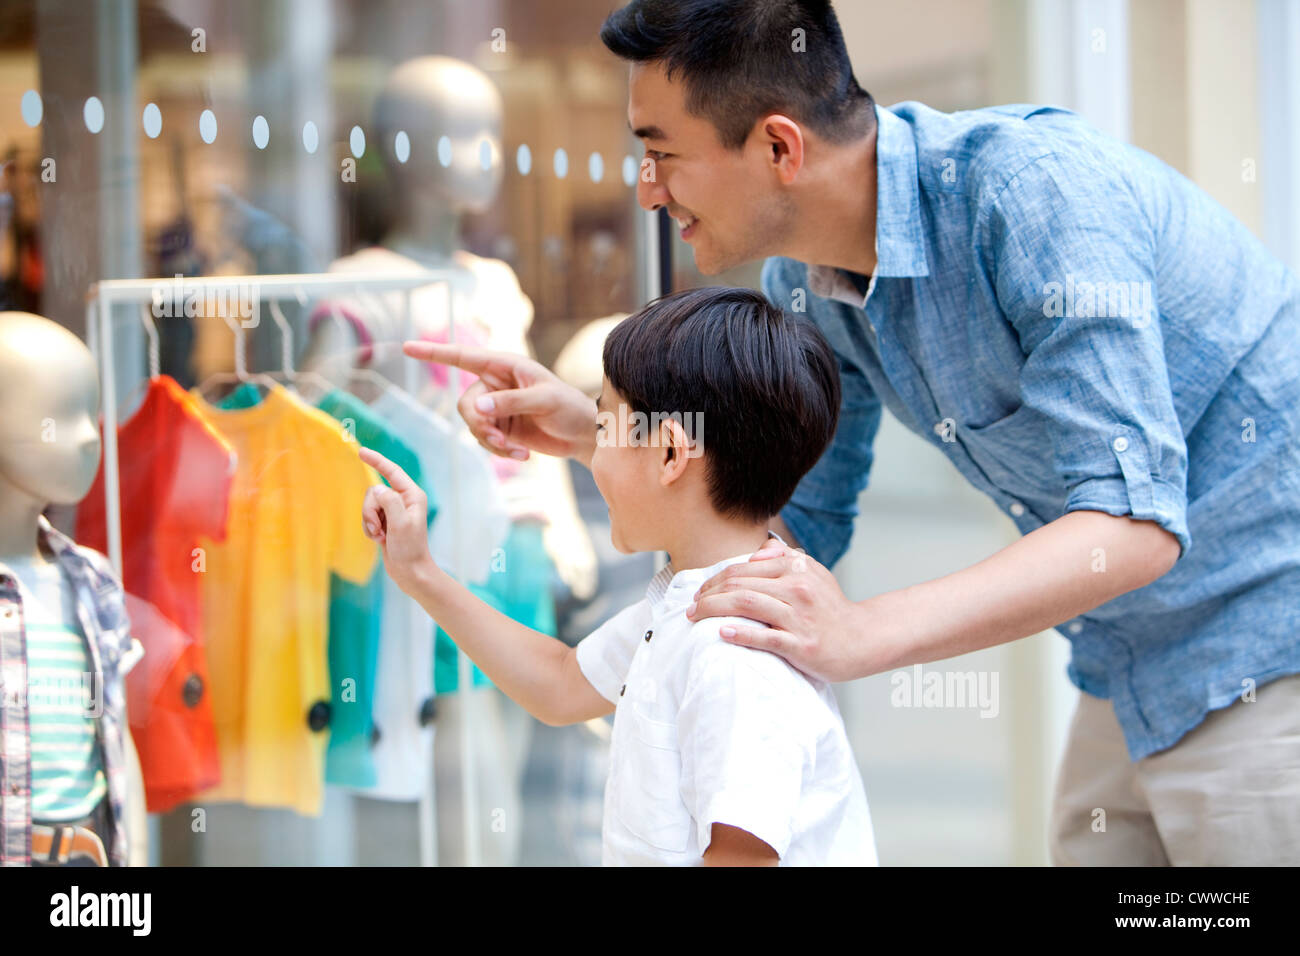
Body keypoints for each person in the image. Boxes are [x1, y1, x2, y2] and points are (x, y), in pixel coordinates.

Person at [411, 0, 1300, 866]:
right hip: (1124, 659)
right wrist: (606, 435)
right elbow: (787, 520)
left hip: (1266, 639)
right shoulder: (807, 284)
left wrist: (861, 634)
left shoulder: (1034, 201)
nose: (646, 190)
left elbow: (1134, 526)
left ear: (778, 147)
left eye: (661, 153)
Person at [359, 287, 877, 866]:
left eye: (603, 429)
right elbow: (559, 684)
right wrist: (420, 573)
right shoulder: (698, 598)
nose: (591, 453)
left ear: (669, 456)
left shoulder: (736, 647)